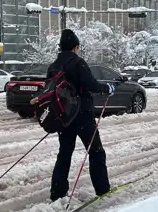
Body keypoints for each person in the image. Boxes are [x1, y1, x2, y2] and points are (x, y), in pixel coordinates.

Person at [47, 29, 114, 201]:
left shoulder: (53, 66)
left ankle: (57, 193)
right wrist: (107, 88)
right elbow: (91, 84)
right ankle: (102, 189)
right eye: (78, 47)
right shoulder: (78, 62)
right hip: (83, 115)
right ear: (75, 46)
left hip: (64, 117)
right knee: (96, 151)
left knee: (64, 153)